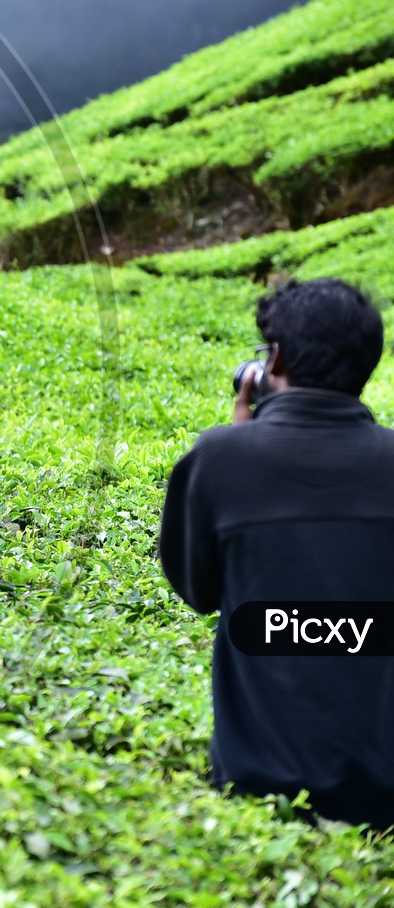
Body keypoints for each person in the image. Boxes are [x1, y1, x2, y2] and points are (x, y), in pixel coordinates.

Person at [158, 277, 394, 830]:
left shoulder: (217, 458)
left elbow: (197, 589)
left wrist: (239, 444)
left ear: (277, 358)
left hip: (257, 786)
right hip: (385, 792)